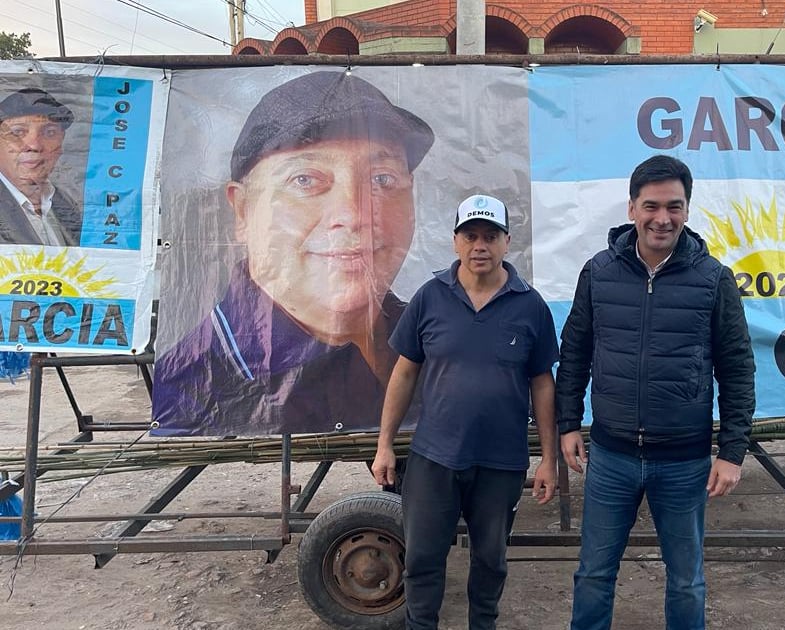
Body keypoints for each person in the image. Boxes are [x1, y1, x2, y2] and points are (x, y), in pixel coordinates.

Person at [152, 72, 434, 436]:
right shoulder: (194, 385)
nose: (353, 215)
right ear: (243, 212)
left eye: (382, 179)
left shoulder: (429, 338)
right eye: (305, 180)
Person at [556, 155, 756, 630]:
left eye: (674, 206)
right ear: (631, 209)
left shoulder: (714, 279)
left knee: (686, 580)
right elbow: (575, 352)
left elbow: (737, 369)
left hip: (684, 463)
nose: (662, 218)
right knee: (593, 574)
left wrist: (732, 452)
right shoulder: (599, 272)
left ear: (687, 209)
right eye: (651, 206)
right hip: (611, 458)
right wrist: (567, 423)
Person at [371, 194, 559, 630]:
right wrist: (384, 446)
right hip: (434, 458)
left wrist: (547, 459)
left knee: (490, 561)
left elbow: (542, 384)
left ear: (506, 242)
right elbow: (403, 374)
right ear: (455, 241)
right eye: (470, 235)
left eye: (490, 236)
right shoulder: (429, 298)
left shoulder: (530, 306)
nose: (480, 245)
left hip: (501, 462)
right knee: (422, 559)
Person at [0, 87, 80, 246]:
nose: (34, 145)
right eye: (17, 133)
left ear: (61, 142)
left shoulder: (67, 206)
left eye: (49, 132)